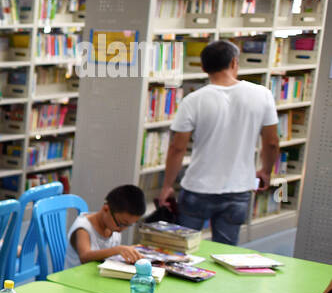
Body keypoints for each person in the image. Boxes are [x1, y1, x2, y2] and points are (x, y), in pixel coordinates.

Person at [158, 39, 279, 246]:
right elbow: (271, 143)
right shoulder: (263, 95)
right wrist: (265, 171)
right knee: (226, 251)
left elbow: (177, 148)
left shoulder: (193, 100)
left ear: (204, 68)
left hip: (198, 187)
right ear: (234, 63)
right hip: (238, 188)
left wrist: (167, 185)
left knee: (182, 250)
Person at [64, 184, 147, 269]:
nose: (121, 229)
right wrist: (117, 250)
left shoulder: (114, 227)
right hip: (76, 278)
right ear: (106, 209)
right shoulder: (83, 228)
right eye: (121, 223)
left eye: (128, 225)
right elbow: (85, 257)